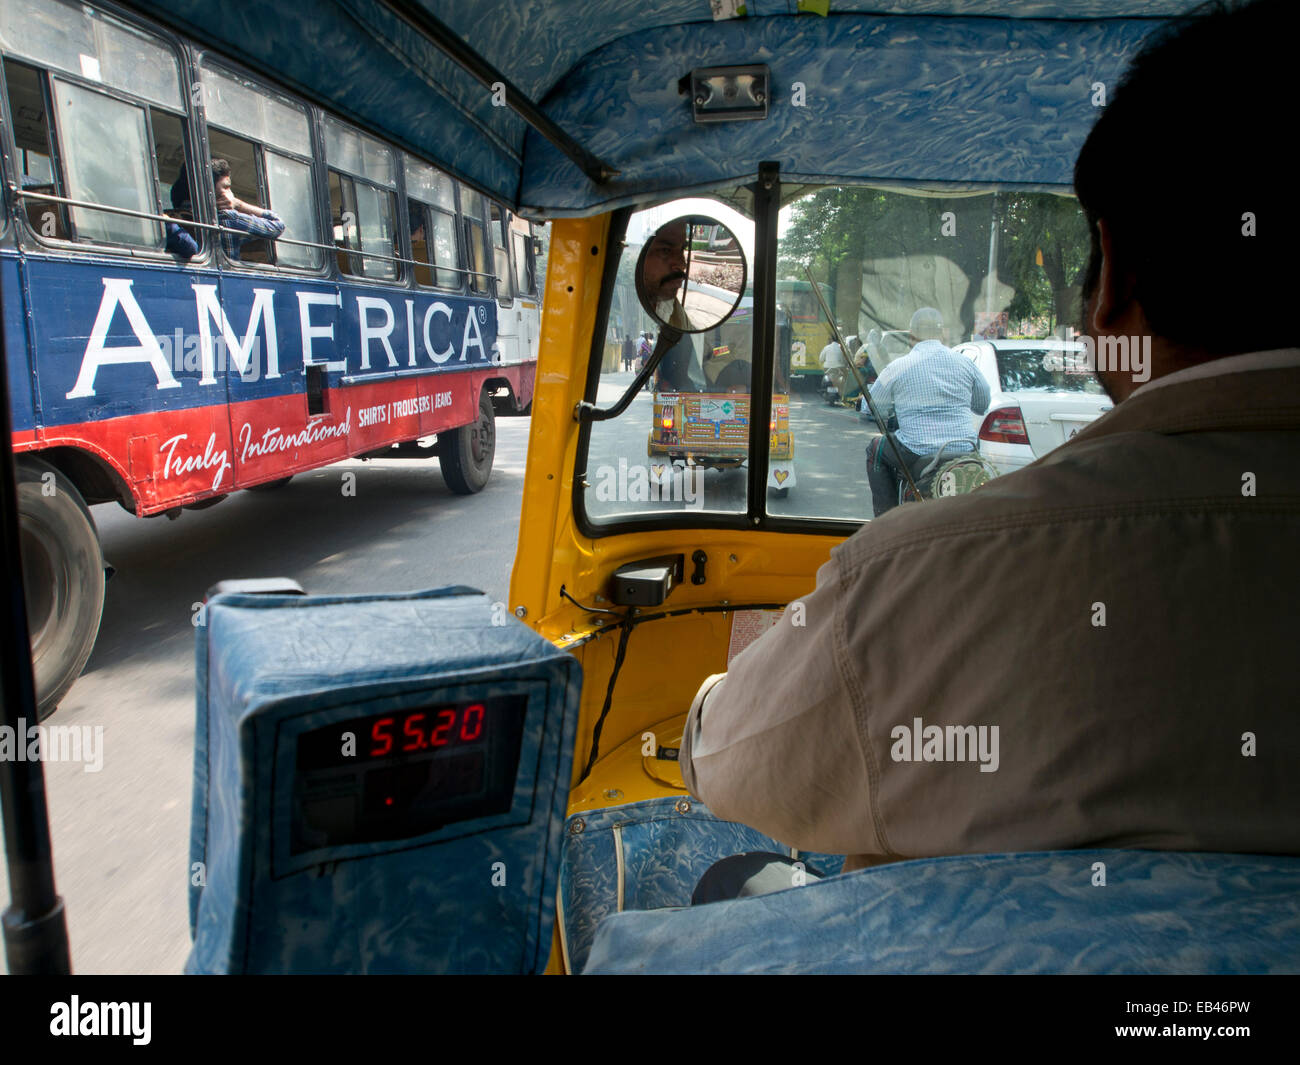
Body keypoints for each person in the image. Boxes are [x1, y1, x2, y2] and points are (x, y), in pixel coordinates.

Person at [680, 0, 1298, 881]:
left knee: (738, 877)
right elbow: (979, 400)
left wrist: (710, 704)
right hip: (961, 455)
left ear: (1112, 277)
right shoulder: (966, 381)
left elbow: (734, 764)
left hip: (913, 476)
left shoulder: (911, 582)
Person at [863, 307, 990, 516]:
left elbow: (872, 408)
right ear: (942, 334)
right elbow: (982, 404)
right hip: (965, 450)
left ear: (911, 335)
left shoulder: (898, 367)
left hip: (916, 451)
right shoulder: (966, 363)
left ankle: (885, 522)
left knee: (875, 449)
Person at [211, 158, 285, 261]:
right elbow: (278, 225)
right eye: (226, 187)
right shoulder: (228, 218)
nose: (231, 193)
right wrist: (239, 204)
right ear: (210, 189)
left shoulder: (184, 213)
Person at [817, 332, 847, 404]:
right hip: (839, 369)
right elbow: (845, 361)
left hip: (828, 369)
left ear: (831, 339)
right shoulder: (842, 348)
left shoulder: (826, 348)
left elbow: (821, 359)